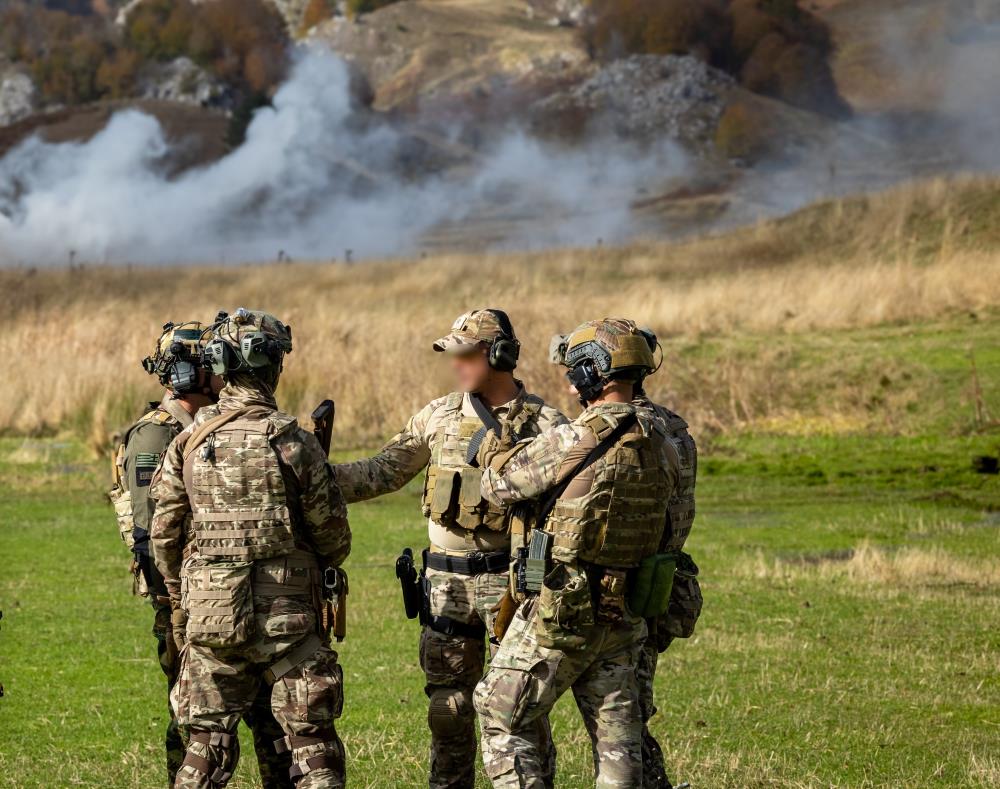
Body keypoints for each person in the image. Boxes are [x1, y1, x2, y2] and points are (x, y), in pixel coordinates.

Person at [333, 309, 566, 789]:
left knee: (520, 709)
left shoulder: (547, 424)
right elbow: (381, 472)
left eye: (467, 354)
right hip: (445, 583)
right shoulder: (437, 415)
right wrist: (312, 474)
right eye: (452, 355)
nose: (456, 364)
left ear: (499, 355)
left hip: (514, 584)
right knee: (448, 708)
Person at [473, 318, 680, 789]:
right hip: (627, 612)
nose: (569, 380)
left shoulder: (573, 437)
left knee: (500, 713)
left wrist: (498, 449)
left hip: (564, 609)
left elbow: (497, 485)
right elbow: (674, 527)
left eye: (576, 369)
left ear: (596, 372)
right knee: (618, 744)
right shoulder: (668, 441)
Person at [150, 309, 351, 789]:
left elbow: (164, 535)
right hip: (289, 617)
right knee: (312, 745)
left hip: (212, 613)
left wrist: (186, 592)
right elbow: (332, 535)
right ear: (274, 367)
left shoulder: (187, 442)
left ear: (220, 365)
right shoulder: (292, 440)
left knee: (205, 749)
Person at [109, 321, 292, 788]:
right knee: (197, 722)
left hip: (232, 591)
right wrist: (176, 609)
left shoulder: (212, 426)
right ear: (190, 373)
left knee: (270, 717)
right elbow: (153, 533)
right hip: (187, 601)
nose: (222, 370)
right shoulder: (156, 437)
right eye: (210, 362)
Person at [551, 328, 701, 789]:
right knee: (631, 720)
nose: (572, 387)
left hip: (602, 592)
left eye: (577, 374)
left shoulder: (608, 430)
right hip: (651, 587)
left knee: (618, 729)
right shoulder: (673, 430)